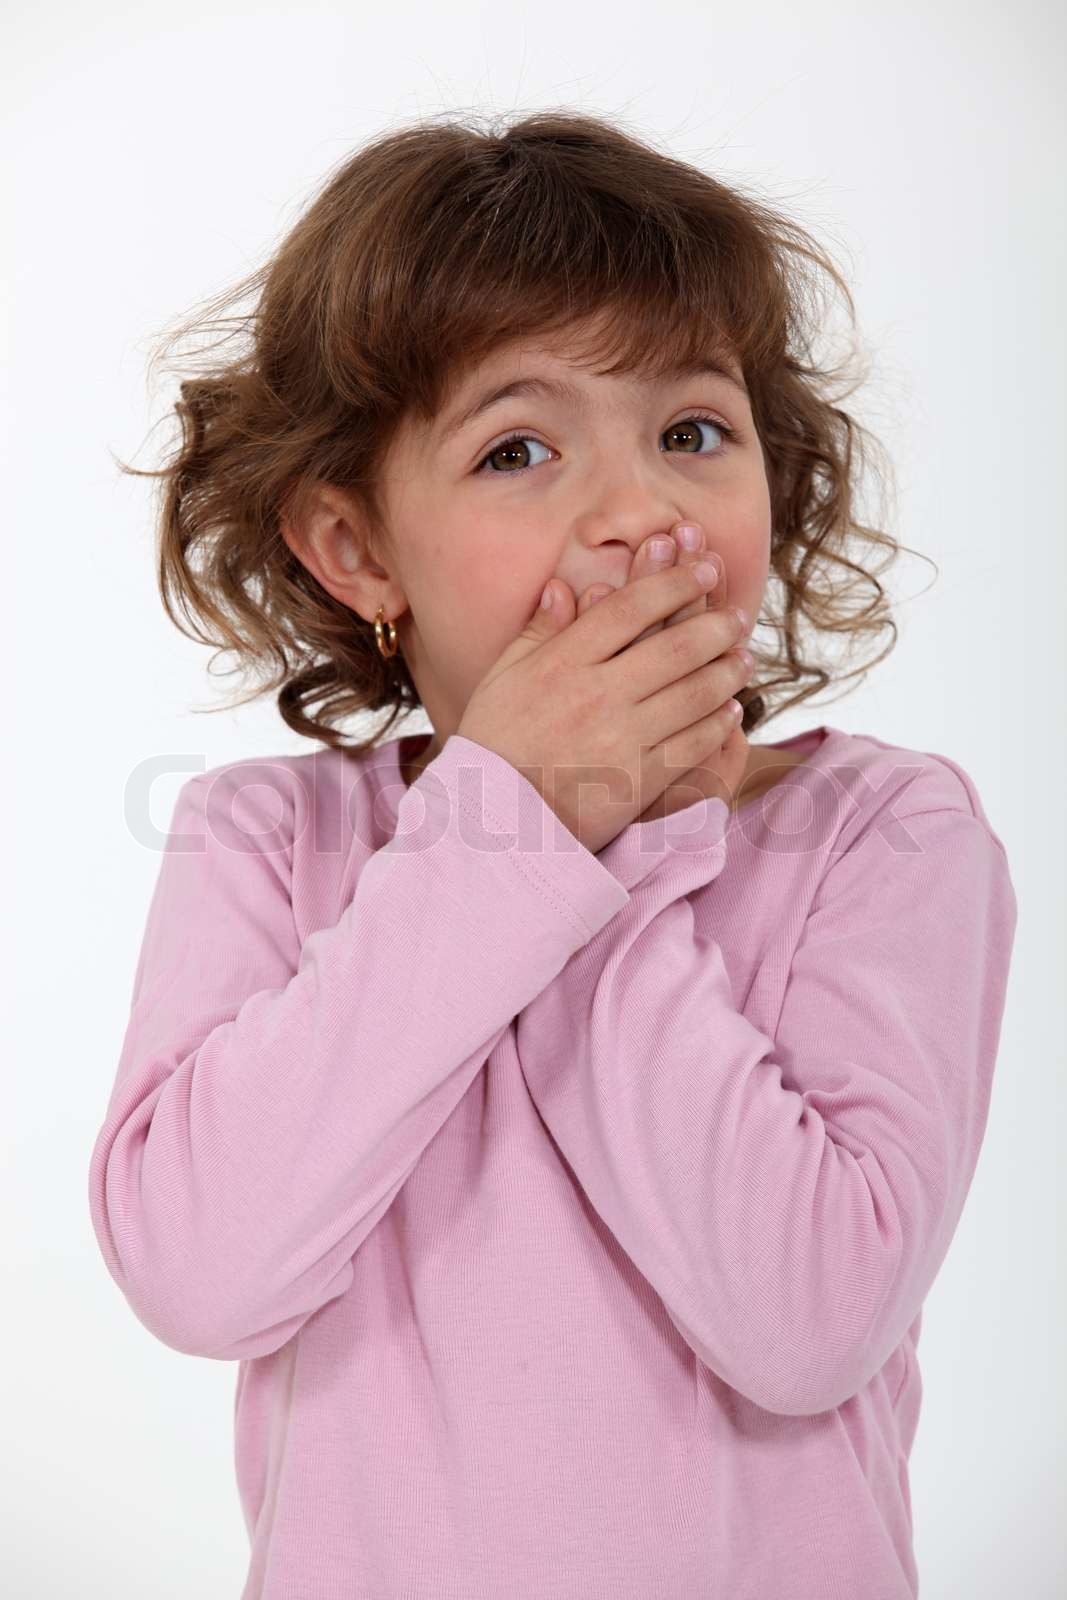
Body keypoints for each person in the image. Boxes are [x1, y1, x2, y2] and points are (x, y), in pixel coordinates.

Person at [87, 110, 1017, 1599]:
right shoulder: (266, 840)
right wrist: (508, 831)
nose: (639, 513)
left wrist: (621, 844)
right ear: (357, 548)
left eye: (693, 434)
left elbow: (809, 1320)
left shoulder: (889, 835)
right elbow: (202, 1272)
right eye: (517, 449)